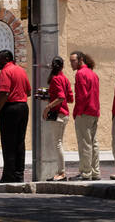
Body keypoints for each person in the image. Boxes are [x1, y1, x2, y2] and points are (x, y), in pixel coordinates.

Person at [0, 49, 30, 183]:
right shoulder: (21, 71)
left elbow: (4, 93)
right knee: (20, 142)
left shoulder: (5, 72)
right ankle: (19, 175)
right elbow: (28, 91)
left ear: (7, 58)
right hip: (23, 107)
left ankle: (9, 175)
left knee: (8, 143)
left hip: (10, 109)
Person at [70, 50, 101, 180]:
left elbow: (82, 96)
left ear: (80, 60)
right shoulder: (93, 74)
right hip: (94, 112)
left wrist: (77, 111)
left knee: (84, 143)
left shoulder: (80, 73)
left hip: (85, 112)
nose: (71, 63)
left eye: (73, 61)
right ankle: (95, 171)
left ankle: (86, 172)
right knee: (93, 143)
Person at [41, 56, 72, 180]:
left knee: (58, 144)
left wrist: (48, 107)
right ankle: (60, 171)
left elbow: (61, 97)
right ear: (62, 66)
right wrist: (50, 95)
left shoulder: (55, 79)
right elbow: (70, 98)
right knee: (59, 143)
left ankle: (61, 172)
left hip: (58, 114)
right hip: (65, 114)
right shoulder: (65, 79)